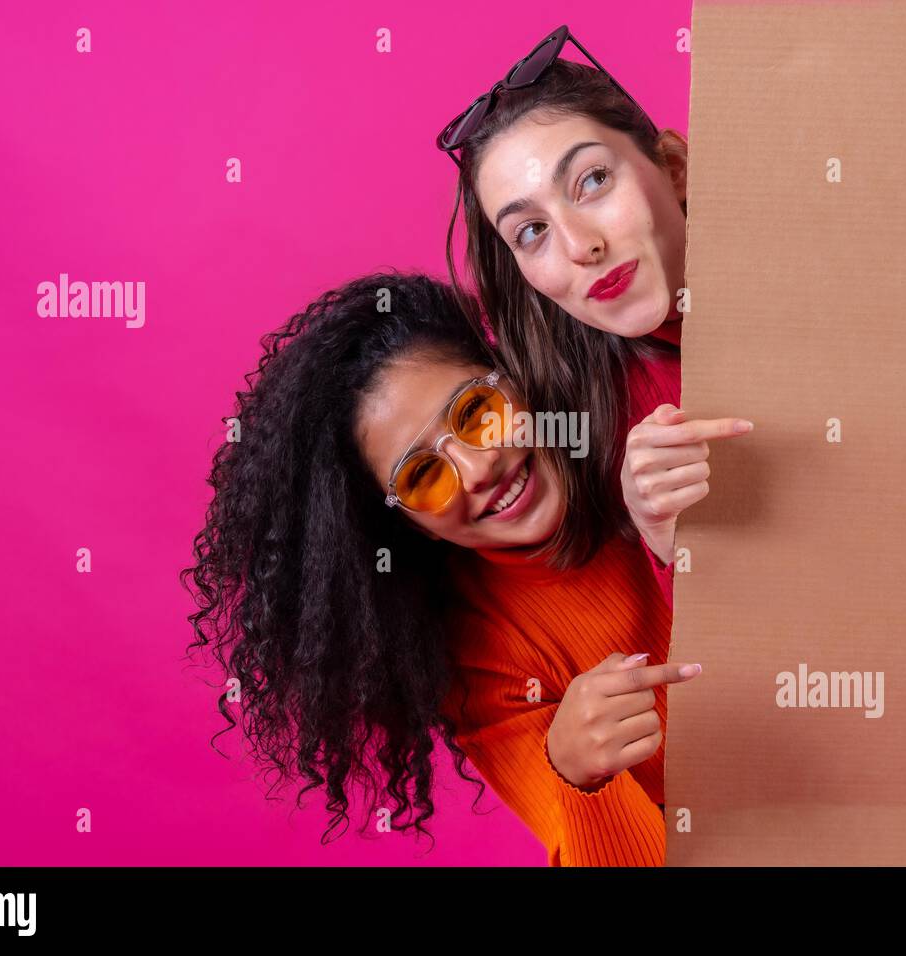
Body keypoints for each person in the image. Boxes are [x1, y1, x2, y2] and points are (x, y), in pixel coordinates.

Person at [181, 271, 700, 866]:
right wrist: (577, 774)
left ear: (515, 374)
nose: (477, 470)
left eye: (476, 411)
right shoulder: (480, 661)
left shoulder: (643, 418)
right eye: (422, 475)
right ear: (407, 525)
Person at [439, 27, 754, 602]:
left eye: (592, 181)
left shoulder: (814, 257)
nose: (580, 245)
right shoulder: (585, 430)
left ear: (674, 165)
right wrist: (663, 534)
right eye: (531, 232)